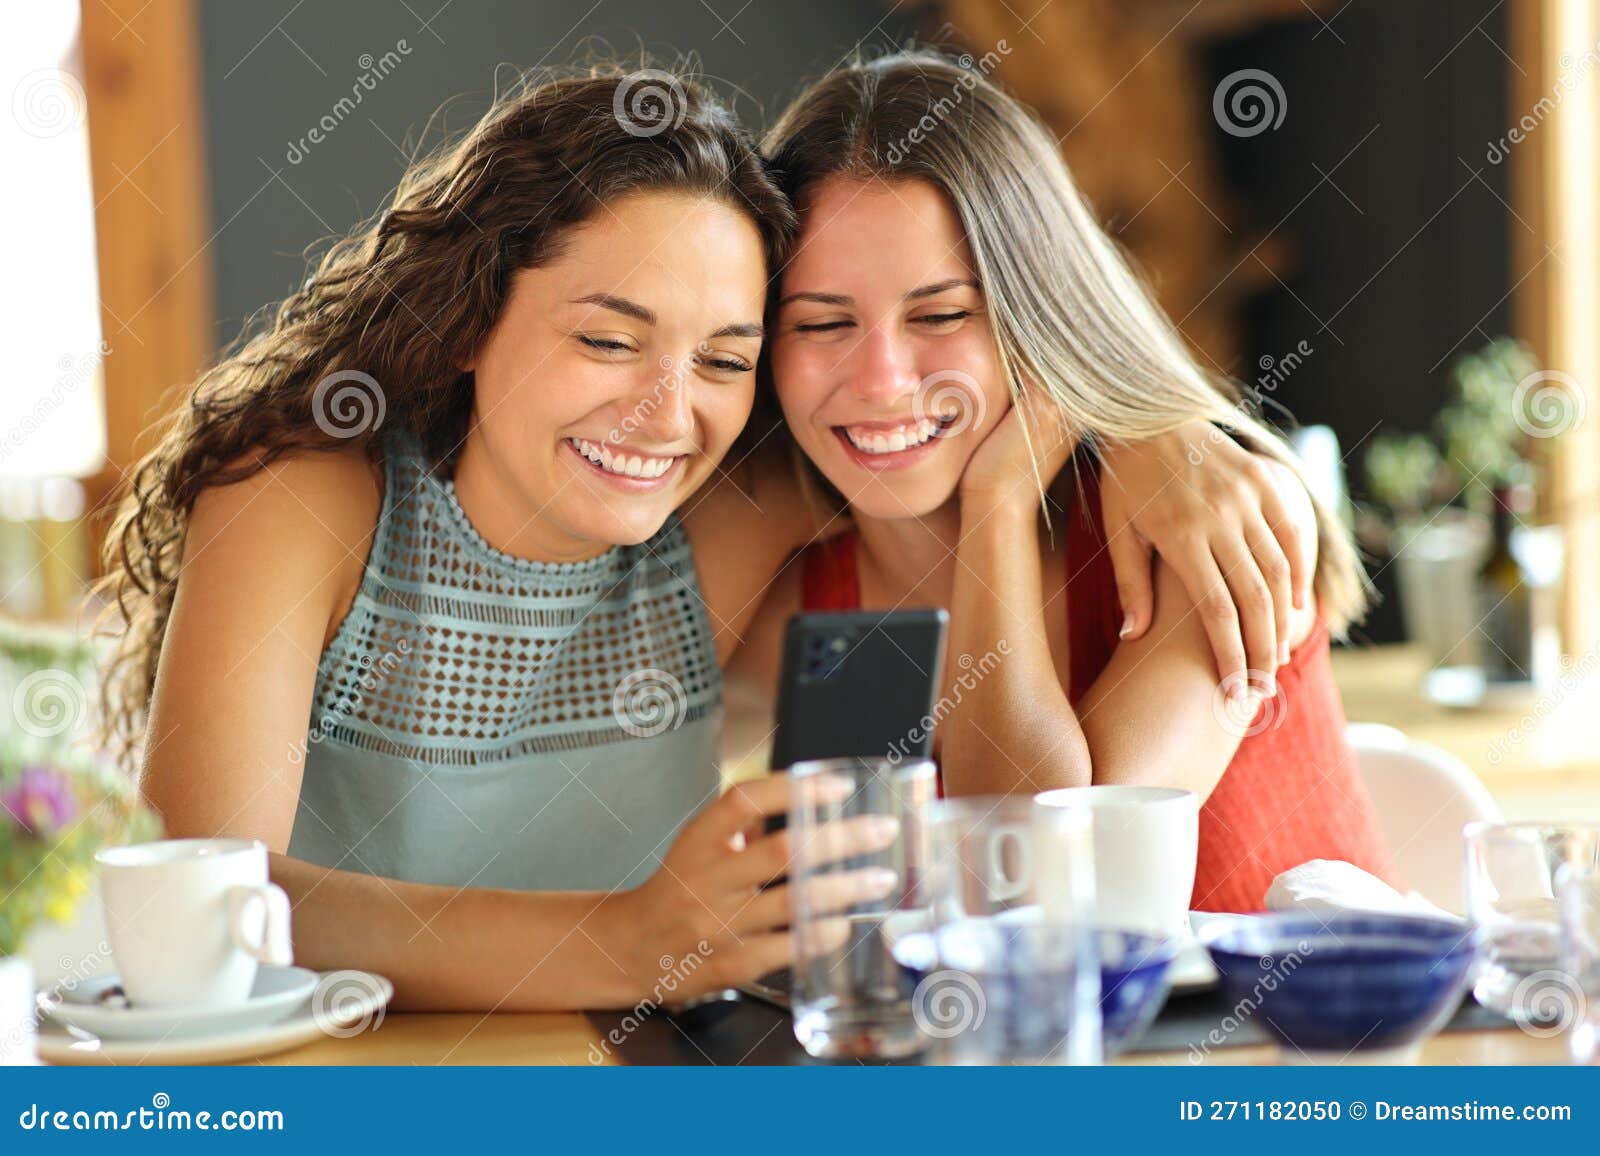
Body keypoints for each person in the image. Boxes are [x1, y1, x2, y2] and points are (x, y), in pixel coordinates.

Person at [729, 50, 1399, 911]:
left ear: (1036, 312)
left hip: (1306, 1043)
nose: (884, 379)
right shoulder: (801, 595)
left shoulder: (1210, 514)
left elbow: (1054, 885)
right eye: (821, 322)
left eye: (940, 315)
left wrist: (1001, 504)